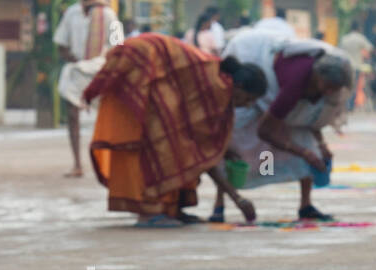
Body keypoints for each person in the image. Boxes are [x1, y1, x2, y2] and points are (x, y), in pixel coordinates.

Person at [82, 34, 267, 226]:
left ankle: (171, 209)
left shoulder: (217, 78)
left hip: (147, 63)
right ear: (239, 86)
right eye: (247, 99)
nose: (245, 106)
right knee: (166, 145)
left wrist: (225, 152)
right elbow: (200, 151)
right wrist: (237, 198)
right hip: (143, 67)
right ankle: (150, 212)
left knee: (176, 144)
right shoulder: (217, 89)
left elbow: (202, 146)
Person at [213, 28, 354, 222]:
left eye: (334, 90)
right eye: (328, 87)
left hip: (274, 87)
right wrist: (304, 153)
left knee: (308, 144)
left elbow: (310, 120)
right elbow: (265, 131)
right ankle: (219, 204)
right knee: (233, 142)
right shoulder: (293, 88)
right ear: (317, 78)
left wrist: (321, 146)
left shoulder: (322, 88)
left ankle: (306, 205)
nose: (329, 92)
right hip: (253, 60)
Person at [54, 0, 119, 177]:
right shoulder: (72, 13)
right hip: (78, 70)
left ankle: (111, 165)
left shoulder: (108, 13)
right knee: (72, 113)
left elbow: (119, 45)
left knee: (110, 117)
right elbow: (61, 43)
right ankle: (77, 164)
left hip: (100, 70)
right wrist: (74, 59)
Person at [338, 23, 373, 112]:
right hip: (356, 66)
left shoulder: (344, 38)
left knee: (345, 86)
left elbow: (338, 50)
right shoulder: (360, 38)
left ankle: (345, 105)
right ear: (358, 29)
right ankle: (350, 106)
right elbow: (370, 48)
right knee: (353, 86)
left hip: (345, 65)